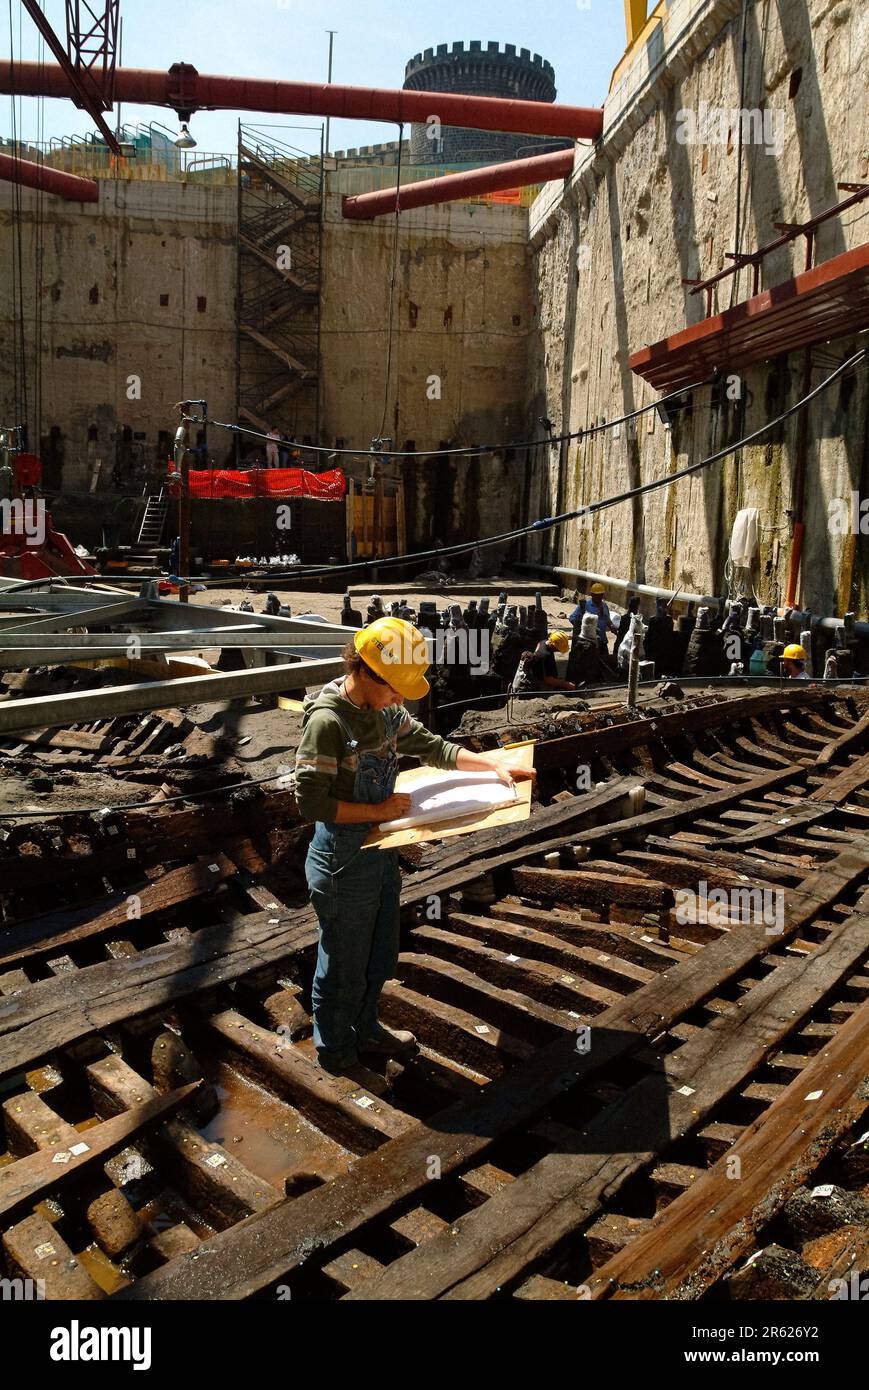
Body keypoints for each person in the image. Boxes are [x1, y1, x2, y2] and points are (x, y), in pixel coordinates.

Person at [294, 617, 535, 1079]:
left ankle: (366, 1028)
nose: (400, 700)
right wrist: (379, 810)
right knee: (343, 963)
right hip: (342, 860)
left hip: (381, 850)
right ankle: (335, 1053)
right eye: (394, 689)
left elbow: (432, 747)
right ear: (365, 671)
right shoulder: (327, 723)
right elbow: (311, 803)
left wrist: (494, 766)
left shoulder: (385, 711)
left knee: (379, 951)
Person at [511, 631, 576, 693]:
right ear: (552, 644)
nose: (558, 651)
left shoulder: (543, 642)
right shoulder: (544, 655)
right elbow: (548, 680)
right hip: (532, 684)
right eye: (557, 649)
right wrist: (565, 684)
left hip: (537, 675)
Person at [570, 583, 617, 653]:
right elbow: (572, 618)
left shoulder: (604, 606)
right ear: (592, 595)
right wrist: (587, 628)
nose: (600, 597)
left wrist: (611, 626)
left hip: (602, 640)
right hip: (589, 642)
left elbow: (607, 620)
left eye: (601, 595)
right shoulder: (585, 606)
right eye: (597, 595)